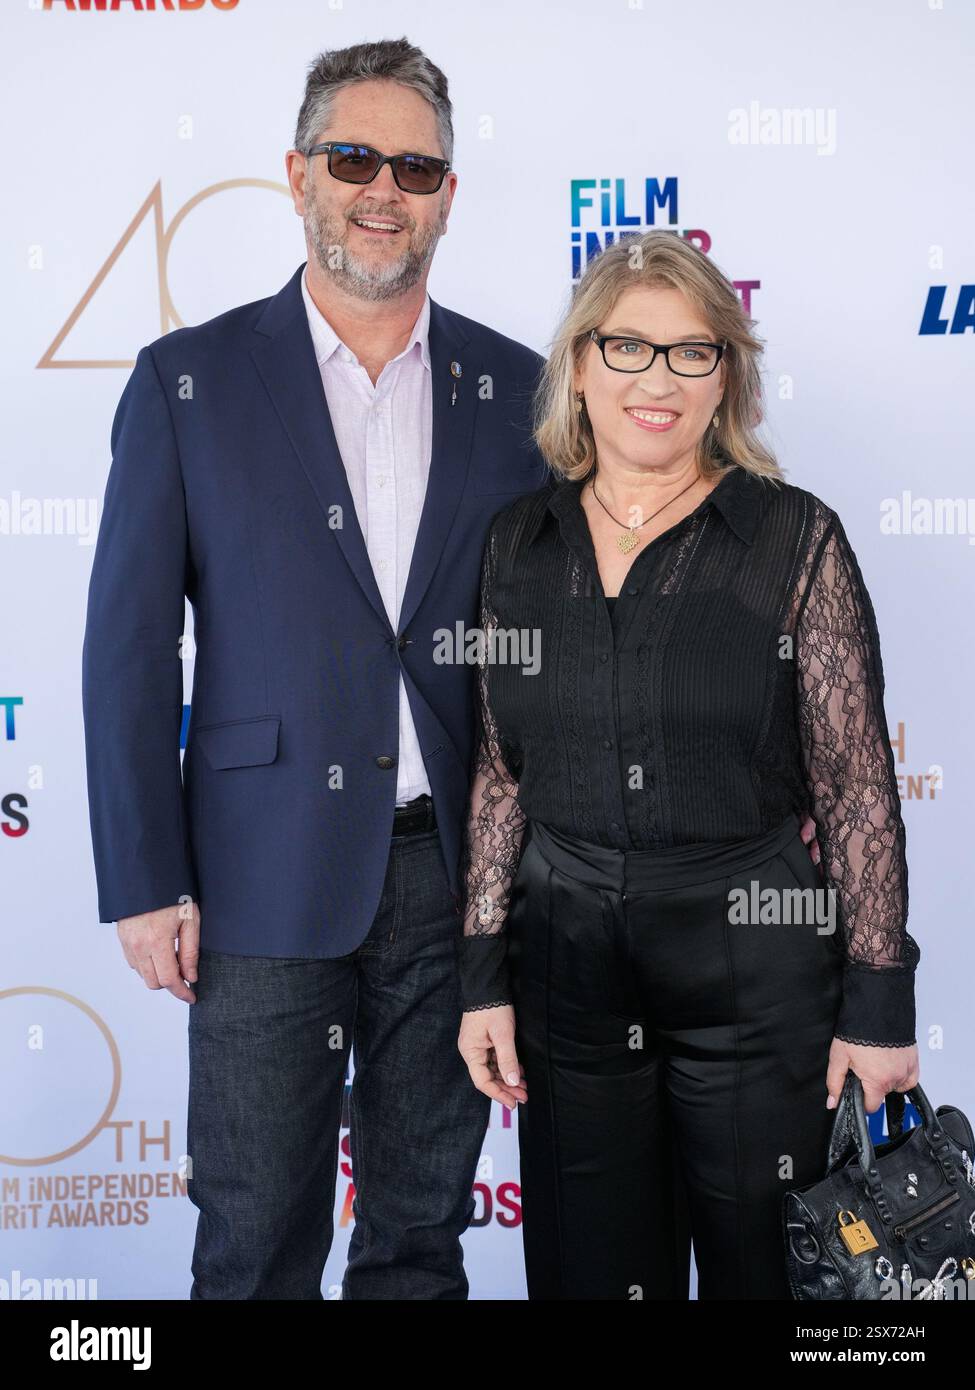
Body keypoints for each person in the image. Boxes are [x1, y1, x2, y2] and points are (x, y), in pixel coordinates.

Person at [81, 37, 548, 1300]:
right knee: (251, 1238)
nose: (382, 188)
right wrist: (143, 877)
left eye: (414, 164)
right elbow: (128, 648)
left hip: (455, 881)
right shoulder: (189, 382)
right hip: (256, 872)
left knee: (418, 1237)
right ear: (298, 174)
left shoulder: (522, 389)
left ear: (450, 192)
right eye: (354, 158)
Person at [455, 229, 921, 1300]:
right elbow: (498, 770)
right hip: (566, 968)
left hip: (756, 966)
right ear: (580, 365)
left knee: (775, 1278)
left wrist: (879, 1001)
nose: (656, 380)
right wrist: (483, 974)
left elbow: (855, 786)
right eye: (627, 348)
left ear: (728, 378)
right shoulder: (514, 544)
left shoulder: (793, 539)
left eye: (691, 352)